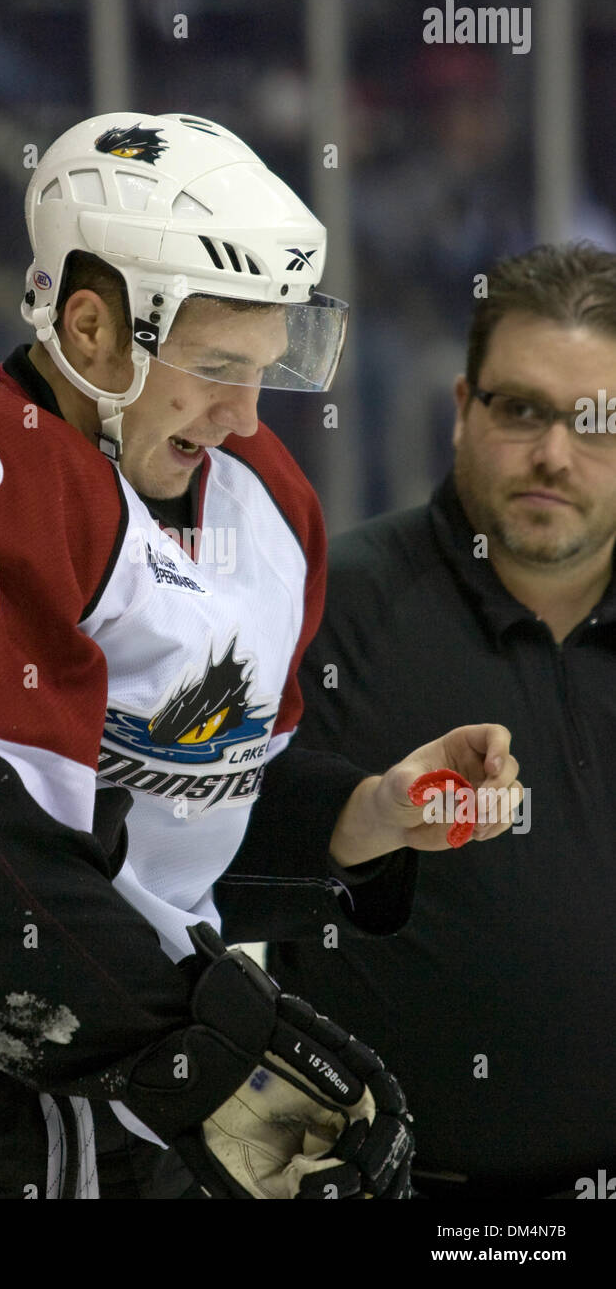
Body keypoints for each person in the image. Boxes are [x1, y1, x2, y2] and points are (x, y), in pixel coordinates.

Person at [0, 112, 518, 1200]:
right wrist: (220, 1063)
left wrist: (362, 817)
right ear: (92, 327)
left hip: (113, 1111)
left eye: (264, 367)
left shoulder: (267, 511)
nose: (248, 415)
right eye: (213, 367)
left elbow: (165, 848)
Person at [269, 241, 616, 1199]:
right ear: (463, 411)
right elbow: (210, 858)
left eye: (597, 423)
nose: (553, 453)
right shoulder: (326, 607)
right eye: (521, 410)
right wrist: (362, 816)